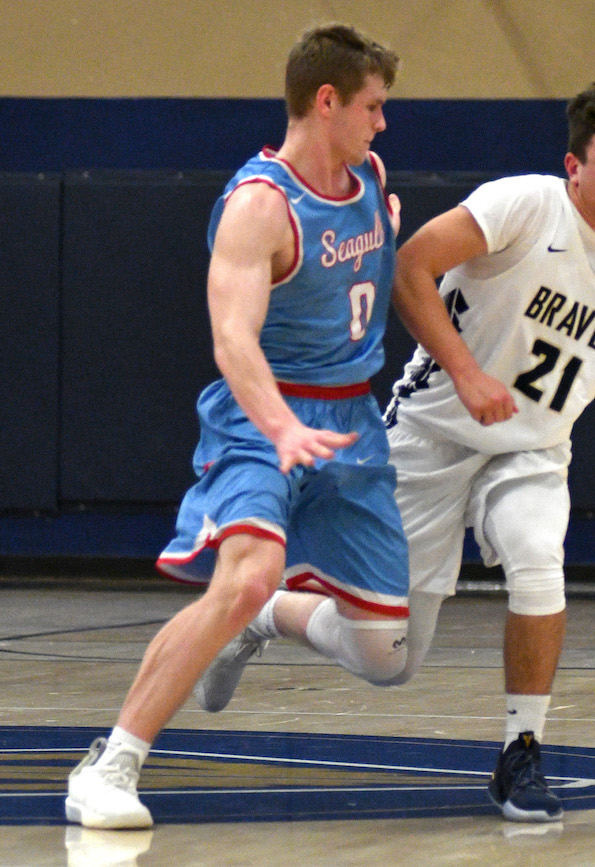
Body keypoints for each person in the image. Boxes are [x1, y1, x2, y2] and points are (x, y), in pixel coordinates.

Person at [204, 79, 595, 824]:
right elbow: (410, 267)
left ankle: (521, 752)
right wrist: (466, 373)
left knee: (539, 555)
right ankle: (267, 615)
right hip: (433, 436)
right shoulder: (524, 205)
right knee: (389, 658)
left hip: (531, 453)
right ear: (575, 165)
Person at [65, 23, 408, 830]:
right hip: (262, 415)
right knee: (248, 570)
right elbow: (232, 340)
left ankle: (261, 618)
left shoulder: (369, 177)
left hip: (352, 420)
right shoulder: (261, 205)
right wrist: (281, 426)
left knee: (386, 655)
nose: (382, 123)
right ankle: (110, 763)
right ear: (326, 102)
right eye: (373, 106)